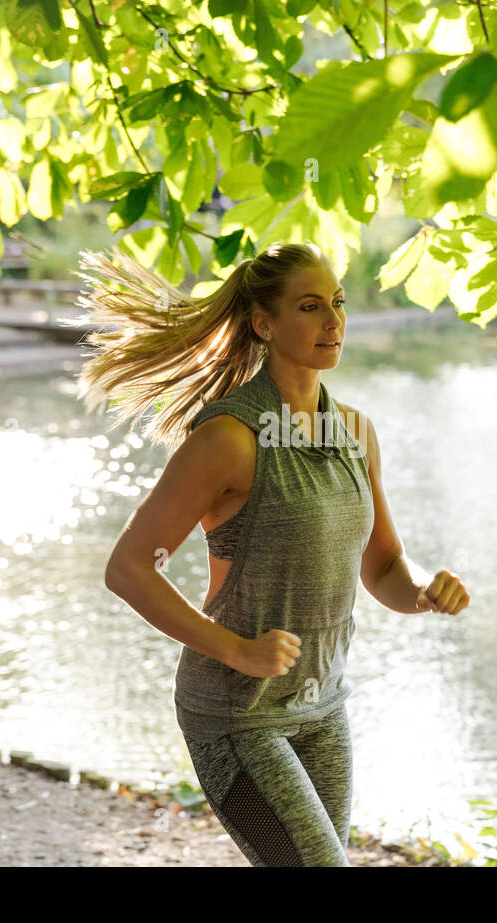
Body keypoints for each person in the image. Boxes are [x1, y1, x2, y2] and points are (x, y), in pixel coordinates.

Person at [78, 240, 471, 866]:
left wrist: (425, 589)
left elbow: (385, 568)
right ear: (265, 323)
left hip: (322, 704)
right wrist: (236, 649)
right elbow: (128, 570)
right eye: (311, 307)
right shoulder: (229, 440)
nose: (334, 322)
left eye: (338, 304)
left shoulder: (356, 434)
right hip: (235, 714)